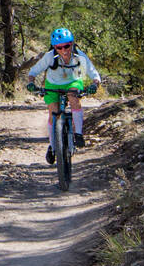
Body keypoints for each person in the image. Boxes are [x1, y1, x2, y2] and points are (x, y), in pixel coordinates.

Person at [26, 27, 101, 164]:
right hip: (53, 84)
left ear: (72, 43)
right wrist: (31, 83)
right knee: (53, 110)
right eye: (59, 48)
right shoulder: (49, 57)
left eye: (67, 46)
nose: (64, 50)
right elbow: (33, 71)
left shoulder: (79, 56)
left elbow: (92, 72)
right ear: (55, 47)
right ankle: (53, 146)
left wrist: (95, 84)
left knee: (73, 97)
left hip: (73, 81)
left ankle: (78, 134)